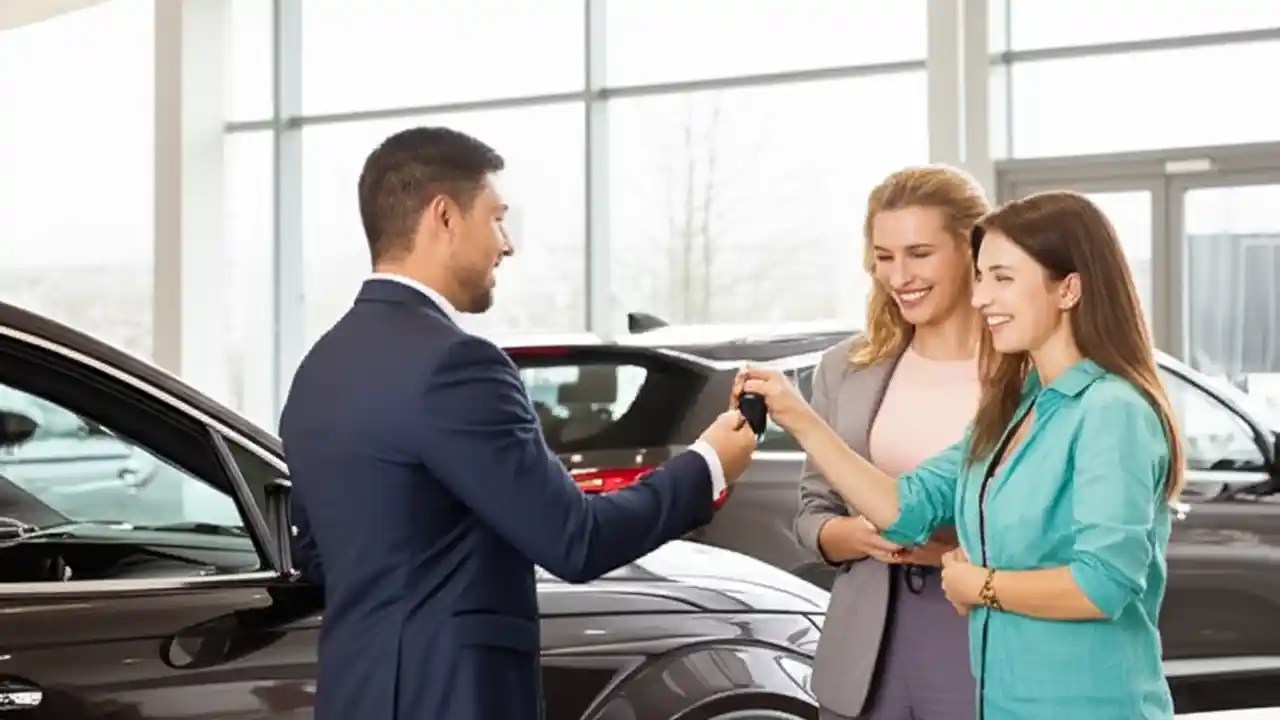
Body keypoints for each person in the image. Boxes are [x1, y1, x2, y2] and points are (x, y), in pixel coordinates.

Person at [279, 126, 758, 720]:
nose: (507, 244)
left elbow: (319, 555)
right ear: (445, 217)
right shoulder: (458, 364)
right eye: (498, 218)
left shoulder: (318, 369)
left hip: (354, 692)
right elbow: (576, 540)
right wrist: (708, 464)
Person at [741, 190, 1185, 720]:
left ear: (1068, 289)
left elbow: (1103, 584)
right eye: (980, 277)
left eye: (1002, 278)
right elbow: (906, 508)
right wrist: (802, 421)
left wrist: (983, 584)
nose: (980, 299)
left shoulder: (1112, 409)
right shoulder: (1021, 406)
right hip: (1002, 702)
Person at [796, 165, 988, 720]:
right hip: (866, 652)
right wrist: (847, 536)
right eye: (884, 257)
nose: (899, 275)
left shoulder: (1024, 374)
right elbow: (811, 510)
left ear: (971, 249)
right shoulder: (847, 369)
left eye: (919, 253)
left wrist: (933, 543)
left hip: (976, 637)